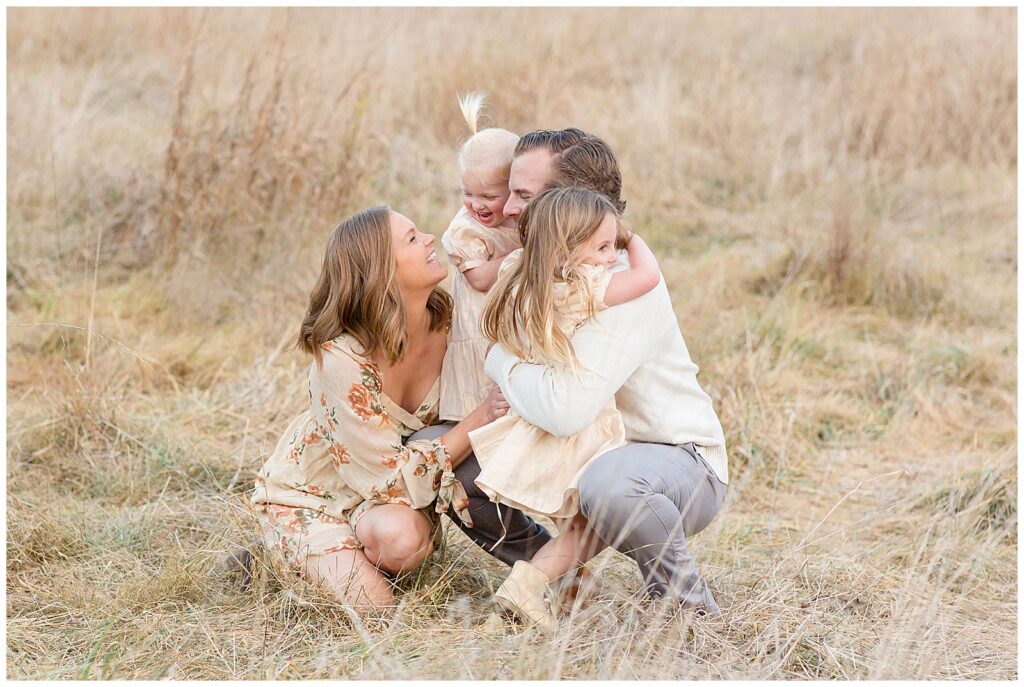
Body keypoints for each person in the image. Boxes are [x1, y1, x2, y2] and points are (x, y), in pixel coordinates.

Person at [411, 129, 730, 624]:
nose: (509, 209)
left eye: (524, 195)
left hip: (675, 461)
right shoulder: (539, 267)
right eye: (509, 191)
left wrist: (499, 361)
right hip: (585, 448)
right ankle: (558, 581)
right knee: (448, 452)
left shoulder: (614, 281)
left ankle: (688, 610)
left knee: (611, 484)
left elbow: (566, 410)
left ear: (571, 204)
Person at [248, 206, 508, 611]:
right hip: (317, 493)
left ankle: (359, 557)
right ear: (380, 269)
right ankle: (291, 553)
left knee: (401, 541)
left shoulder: (450, 321)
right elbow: (387, 481)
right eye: (411, 238)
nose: (428, 239)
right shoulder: (341, 356)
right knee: (376, 612)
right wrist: (480, 417)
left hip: (386, 503)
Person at [471, 186, 661, 629]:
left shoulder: (521, 276)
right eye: (601, 247)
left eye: (613, 245)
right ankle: (529, 587)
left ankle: (541, 591)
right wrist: (633, 240)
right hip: (580, 430)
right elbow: (648, 276)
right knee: (595, 520)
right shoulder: (581, 286)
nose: (611, 256)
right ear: (565, 250)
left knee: (579, 524)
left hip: (532, 419)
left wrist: (605, 242)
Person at [439, 93, 521, 423]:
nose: (477, 204)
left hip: (507, 321)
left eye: (489, 196)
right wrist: (521, 255)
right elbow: (479, 278)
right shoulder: (466, 228)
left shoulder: (517, 219)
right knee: (482, 391)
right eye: (467, 193)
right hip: (479, 327)